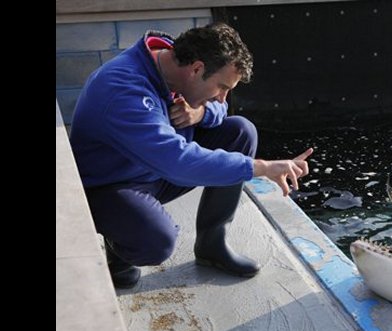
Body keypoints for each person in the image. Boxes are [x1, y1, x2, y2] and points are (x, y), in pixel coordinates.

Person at [70, 22, 312, 289]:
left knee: (241, 131)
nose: (222, 98)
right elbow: (177, 162)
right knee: (156, 242)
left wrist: (202, 113)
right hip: (111, 185)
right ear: (196, 69)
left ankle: (212, 244)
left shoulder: (177, 63)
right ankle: (120, 249)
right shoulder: (123, 89)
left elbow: (220, 112)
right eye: (222, 87)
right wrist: (262, 167)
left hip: (155, 169)